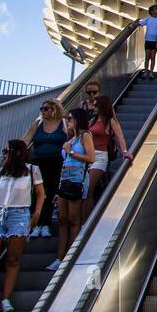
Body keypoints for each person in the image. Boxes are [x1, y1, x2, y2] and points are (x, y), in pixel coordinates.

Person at [0, 139, 44, 312]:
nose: (4, 154)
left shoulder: (32, 170)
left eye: (7, 151)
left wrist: (36, 213)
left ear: (17, 152)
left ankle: (6, 299)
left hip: (20, 215)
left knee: (13, 259)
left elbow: (40, 194)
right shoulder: (2, 172)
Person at [51, 108, 94, 270]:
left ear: (77, 119)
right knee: (62, 219)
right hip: (65, 178)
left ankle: (70, 256)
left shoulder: (85, 136)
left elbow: (91, 158)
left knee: (73, 219)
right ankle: (59, 257)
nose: (67, 122)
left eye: (70, 118)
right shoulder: (71, 138)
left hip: (77, 179)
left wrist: (72, 152)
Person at [22, 99, 67, 237]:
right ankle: (35, 225)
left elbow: (71, 138)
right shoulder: (38, 123)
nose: (43, 111)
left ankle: (45, 224)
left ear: (54, 109)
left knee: (51, 192)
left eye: (46, 109)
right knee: (37, 193)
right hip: (38, 162)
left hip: (56, 161)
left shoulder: (63, 123)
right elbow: (25, 140)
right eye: (41, 109)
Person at [84, 93, 132, 216]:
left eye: (95, 106)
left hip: (100, 156)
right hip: (88, 155)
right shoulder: (92, 120)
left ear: (102, 106)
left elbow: (119, 137)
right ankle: (85, 218)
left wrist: (125, 151)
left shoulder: (110, 121)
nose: (93, 108)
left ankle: (88, 220)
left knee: (88, 189)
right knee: (84, 190)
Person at [138, 4, 157, 75]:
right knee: (147, 56)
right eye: (156, 9)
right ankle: (146, 71)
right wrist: (134, 24)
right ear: (151, 11)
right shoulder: (148, 19)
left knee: (153, 56)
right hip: (148, 40)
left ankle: (151, 72)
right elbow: (140, 23)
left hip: (155, 41)